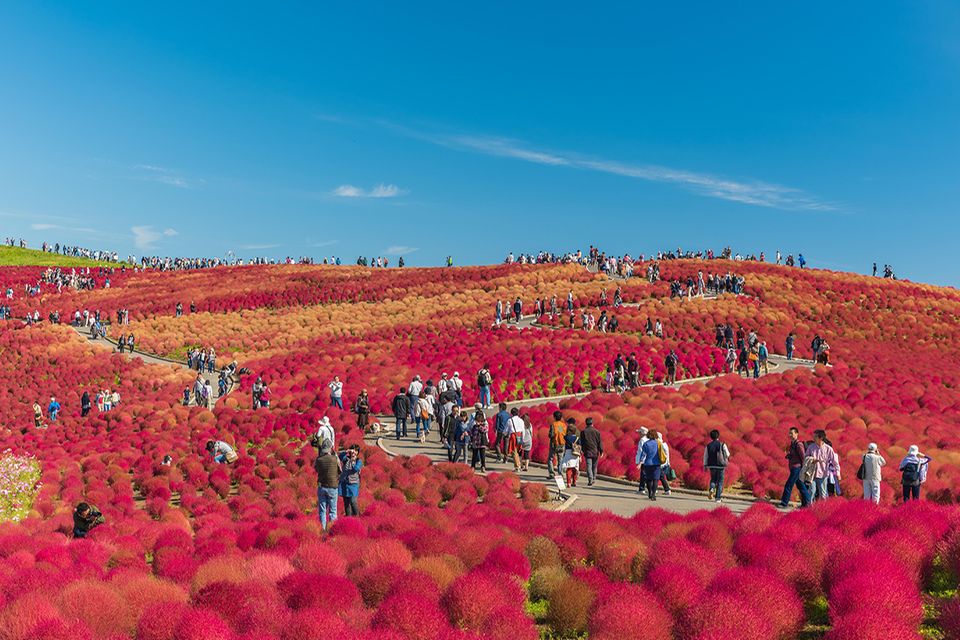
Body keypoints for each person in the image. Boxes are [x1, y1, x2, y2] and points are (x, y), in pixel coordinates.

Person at [779, 427, 811, 507]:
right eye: (789, 433)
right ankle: (807, 503)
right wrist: (789, 456)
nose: (790, 435)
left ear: (797, 434)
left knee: (788, 485)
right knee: (801, 486)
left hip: (797, 468)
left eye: (792, 433)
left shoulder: (798, 444)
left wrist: (804, 468)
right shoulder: (792, 444)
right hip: (793, 468)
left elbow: (803, 456)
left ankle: (784, 503)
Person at [804, 430, 837, 502]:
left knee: (823, 494)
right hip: (812, 474)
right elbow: (806, 457)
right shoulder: (811, 447)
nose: (813, 438)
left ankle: (823, 509)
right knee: (812, 492)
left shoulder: (828, 449)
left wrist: (837, 472)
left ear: (821, 438)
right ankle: (810, 509)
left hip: (823, 474)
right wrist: (812, 459)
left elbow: (834, 461)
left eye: (815, 437)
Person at [314, 438, 340, 529]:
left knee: (322, 510)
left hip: (322, 486)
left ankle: (323, 529)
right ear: (331, 448)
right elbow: (340, 470)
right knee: (333, 511)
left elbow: (316, 469)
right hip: (333, 487)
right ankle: (332, 529)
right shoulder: (334, 458)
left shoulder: (319, 459)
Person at [703, 430, 730, 503]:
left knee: (713, 479)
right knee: (720, 482)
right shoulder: (722, 444)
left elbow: (705, 456)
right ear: (718, 436)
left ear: (711, 437)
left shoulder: (708, 445)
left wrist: (705, 465)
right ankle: (718, 498)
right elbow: (728, 454)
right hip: (721, 466)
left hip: (712, 465)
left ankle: (712, 488)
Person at [338, 445, 363, 517]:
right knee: (346, 502)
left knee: (353, 501)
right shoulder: (346, 459)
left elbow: (355, 469)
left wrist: (352, 461)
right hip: (344, 484)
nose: (353, 452)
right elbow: (340, 456)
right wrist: (346, 451)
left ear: (358, 452)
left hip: (354, 484)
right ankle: (348, 517)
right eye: (352, 450)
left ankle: (356, 516)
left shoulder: (359, 461)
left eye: (356, 450)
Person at [580, 417, 603, 486]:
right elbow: (599, 442)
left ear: (586, 423)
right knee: (594, 466)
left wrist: (582, 450)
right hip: (595, 451)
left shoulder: (583, 432)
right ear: (592, 423)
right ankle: (594, 479)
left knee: (589, 466)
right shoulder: (597, 432)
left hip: (587, 451)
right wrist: (601, 451)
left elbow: (582, 443)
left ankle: (590, 479)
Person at [560, 419, 581, 487]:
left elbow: (561, 432)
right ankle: (574, 482)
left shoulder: (566, 437)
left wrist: (560, 426)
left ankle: (568, 482)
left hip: (568, 453)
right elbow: (580, 446)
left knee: (568, 468)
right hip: (575, 454)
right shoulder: (577, 438)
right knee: (575, 468)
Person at [469, 406, 489, 472]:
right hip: (475, 442)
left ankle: (483, 466)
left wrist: (479, 425)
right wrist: (471, 439)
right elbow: (471, 432)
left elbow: (485, 430)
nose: (478, 421)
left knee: (482, 455)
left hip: (482, 442)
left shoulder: (484, 425)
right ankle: (473, 466)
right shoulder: (474, 425)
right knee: (474, 455)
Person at [548, 411, 566, 479]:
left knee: (550, 459)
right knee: (560, 459)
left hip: (554, 444)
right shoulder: (563, 425)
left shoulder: (553, 425)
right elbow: (561, 433)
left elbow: (551, 435)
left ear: (554, 417)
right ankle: (560, 473)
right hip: (561, 444)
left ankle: (552, 473)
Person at [634, 427, 650, 492]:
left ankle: (642, 488)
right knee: (647, 474)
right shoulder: (649, 439)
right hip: (648, 459)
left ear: (642, 433)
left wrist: (640, 462)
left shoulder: (642, 440)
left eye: (640, 433)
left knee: (643, 474)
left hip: (643, 459)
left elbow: (642, 451)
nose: (639, 434)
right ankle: (651, 488)